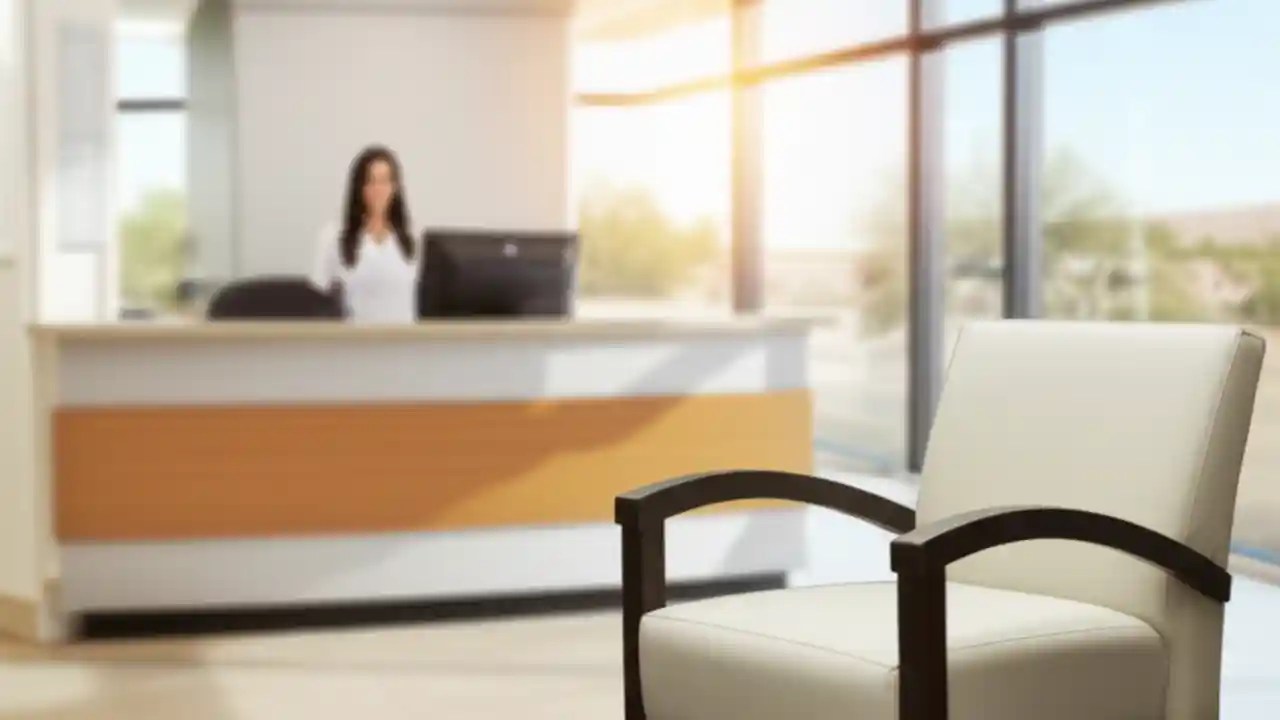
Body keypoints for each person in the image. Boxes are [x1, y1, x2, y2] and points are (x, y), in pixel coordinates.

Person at [310, 146, 418, 323]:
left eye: (385, 181)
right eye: (370, 182)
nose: (378, 190)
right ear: (358, 187)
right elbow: (317, 299)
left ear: (395, 187)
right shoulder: (333, 235)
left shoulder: (413, 236)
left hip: (405, 344)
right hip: (355, 344)